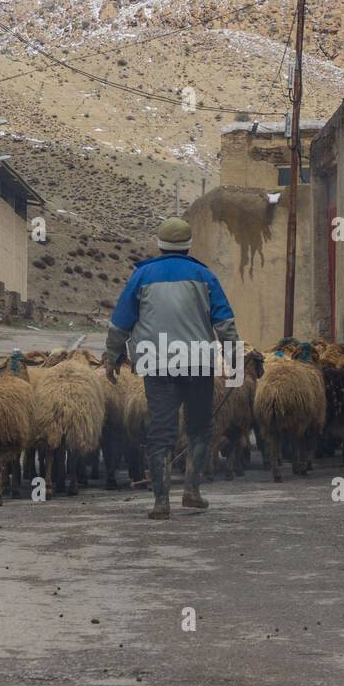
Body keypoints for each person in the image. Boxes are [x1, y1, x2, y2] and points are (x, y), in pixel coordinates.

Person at [104, 217, 242, 520]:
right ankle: (192, 491)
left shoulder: (141, 276)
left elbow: (120, 323)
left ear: (159, 244)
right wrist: (234, 362)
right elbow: (225, 322)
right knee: (199, 427)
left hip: (157, 362)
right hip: (198, 362)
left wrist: (111, 357)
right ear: (189, 245)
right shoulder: (204, 275)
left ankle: (161, 501)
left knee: (160, 432)